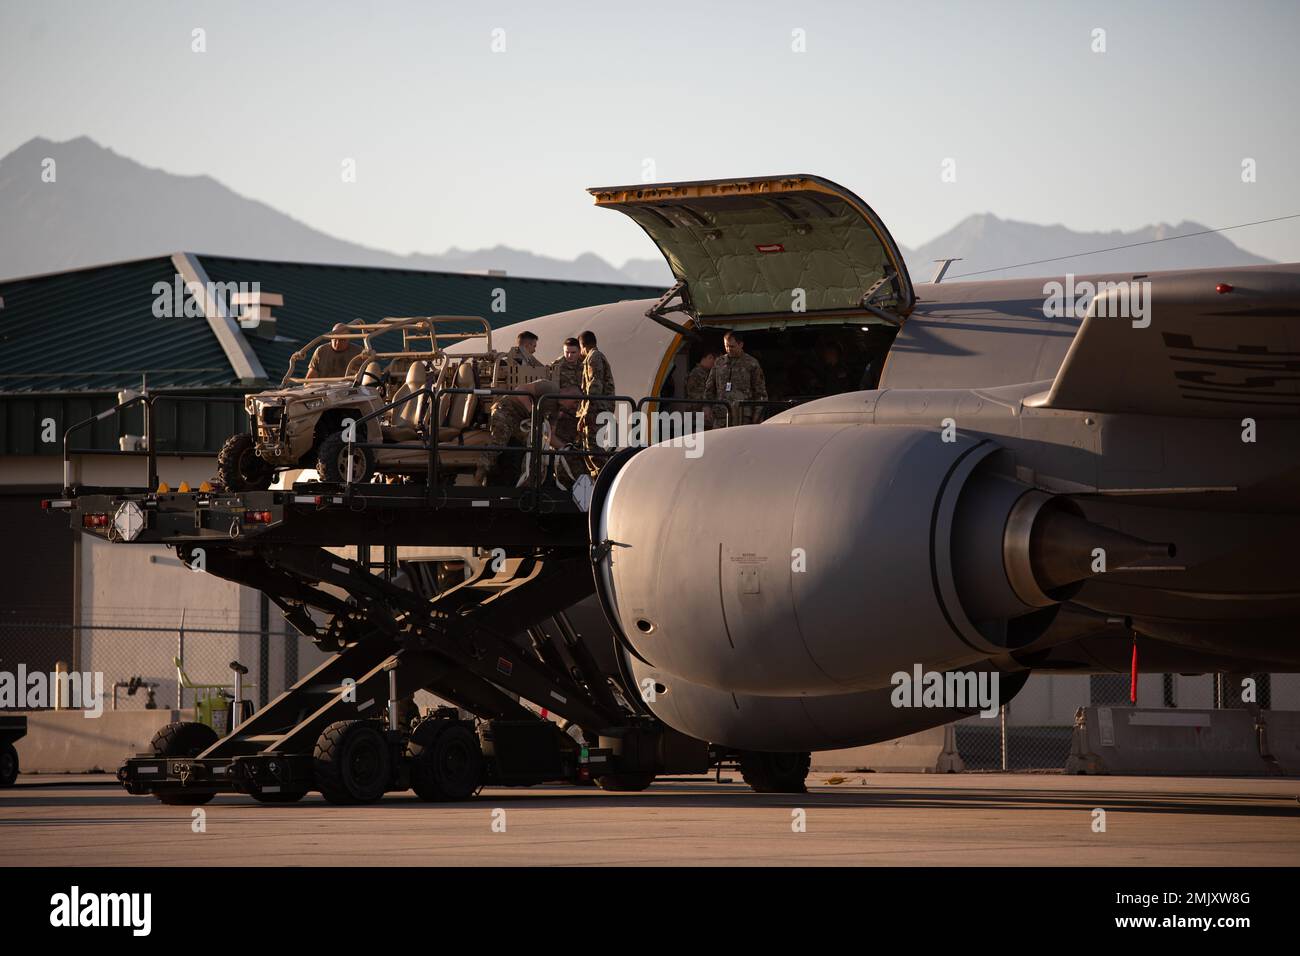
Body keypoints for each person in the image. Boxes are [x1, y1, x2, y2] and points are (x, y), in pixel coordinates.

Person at [474, 379, 559, 486]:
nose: (575, 407)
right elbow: (521, 389)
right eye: (575, 403)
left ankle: (523, 484)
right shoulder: (549, 388)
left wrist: (566, 447)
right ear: (569, 394)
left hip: (521, 420)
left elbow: (550, 436)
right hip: (506, 410)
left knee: (527, 449)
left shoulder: (557, 411)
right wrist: (532, 413)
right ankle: (480, 475)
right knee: (499, 443)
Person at [705, 330, 767, 425]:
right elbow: (709, 387)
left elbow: (760, 392)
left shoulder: (751, 363)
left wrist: (758, 415)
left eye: (732, 346)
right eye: (726, 346)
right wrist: (707, 407)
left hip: (743, 416)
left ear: (741, 344)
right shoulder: (719, 362)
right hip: (721, 415)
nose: (728, 349)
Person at [577, 330, 615, 477]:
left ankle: (605, 477)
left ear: (582, 345)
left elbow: (595, 386)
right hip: (598, 408)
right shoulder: (596, 357)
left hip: (597, 408)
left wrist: (585, 414)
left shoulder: (594, 358)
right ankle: (598, 477)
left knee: (593, 449)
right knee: (590, 448)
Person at [685, 351, 717, 429]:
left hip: (703, 412)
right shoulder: (697, 373)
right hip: (697, 411)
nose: (714, 363)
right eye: (713, 359)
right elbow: (694, 393)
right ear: (709, 357)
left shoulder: (706, 373)